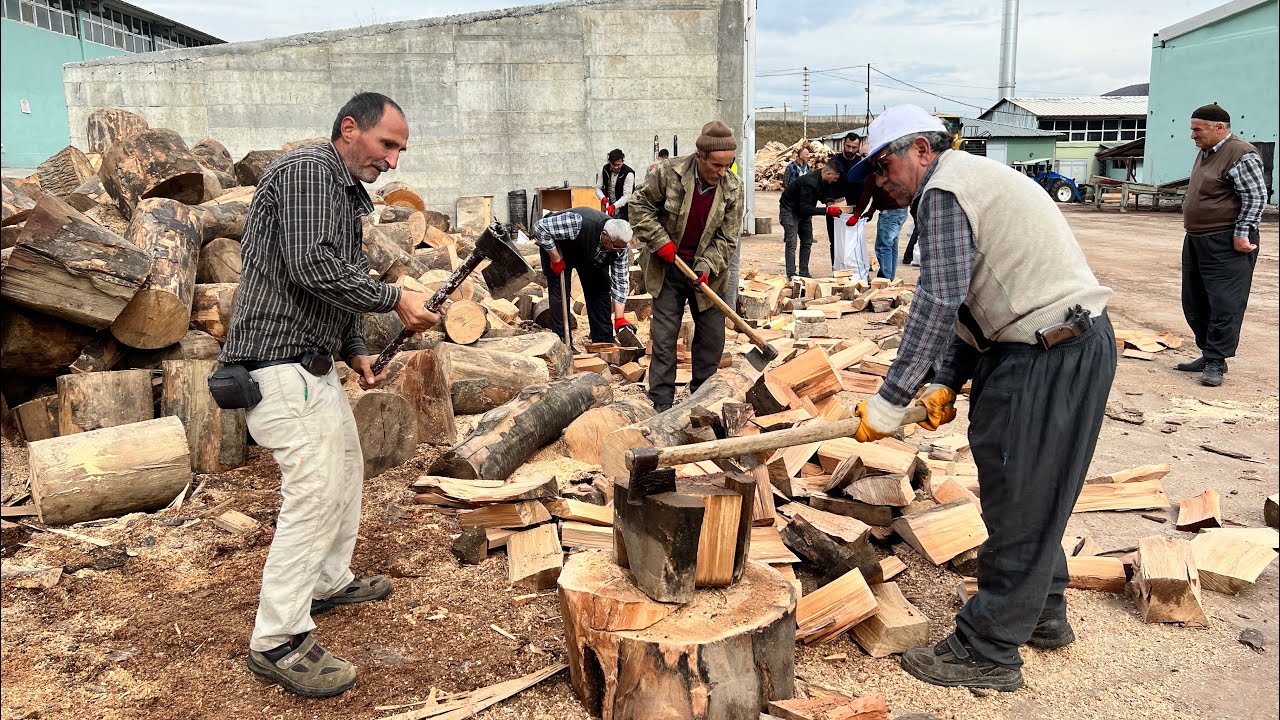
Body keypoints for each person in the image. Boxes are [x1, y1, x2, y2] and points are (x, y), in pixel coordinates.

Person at [846, 105, 1115, 692]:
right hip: (1047, 346)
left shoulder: (945, 190)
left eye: (884, 163)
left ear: (921, 149)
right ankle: (1041, 611)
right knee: (1025, 488)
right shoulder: (962, 183)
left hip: (1047, 354)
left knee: (1019, 492)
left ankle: (987, 649)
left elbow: (939, 301)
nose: (879, 179)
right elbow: (972, 302)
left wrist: (893, 397)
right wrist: (946, 377)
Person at [220, 92, 439, 698]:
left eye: (400, 149)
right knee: (311, 497)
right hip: (278, 368)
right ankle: (277, 639)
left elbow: (333, 287)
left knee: (345, 471)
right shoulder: (310, 173)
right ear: (350, 129)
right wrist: (395, 298)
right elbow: (314, 266)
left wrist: (355, 351)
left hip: (314, 367)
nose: (393, 162)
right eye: (386, 145)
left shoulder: (343, 193)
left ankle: (327, 578)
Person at [630, 120, 743, 412]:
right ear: (699, 157)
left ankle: (702, 402)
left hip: (707, 275)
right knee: (665, 339)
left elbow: (728, 239)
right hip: (667, 269)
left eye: (727, 166)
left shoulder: (732, 187)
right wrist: (660, 241)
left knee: (711, 340)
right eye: (716, 165)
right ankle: (661, 404)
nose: (722, 173)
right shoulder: (669, 173)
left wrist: (707, 265)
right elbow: (638, 206)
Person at [1176, 103, 1265, 387]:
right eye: (1192, 129)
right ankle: (1207, 352)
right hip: (1198, 238)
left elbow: (1255, 197)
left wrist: (1242, 234)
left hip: (1227, 240)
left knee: (1224, 302)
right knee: (1195, 299)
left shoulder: (1241, 153)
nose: (1192, 135)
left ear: (1220, 128)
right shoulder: (1206, 152)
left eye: (1197, 129)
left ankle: (1217, 359)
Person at [533, 207, 636, 347]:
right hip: (560, 249)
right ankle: (563, 342)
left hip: (592, 255)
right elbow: (540, 227)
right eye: (615, 247)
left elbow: (620, 281)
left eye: (621, 248)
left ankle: (603, 340)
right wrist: (555, 258)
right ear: (605, 235)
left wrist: (620, 318)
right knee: (560, 295)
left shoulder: (620, 243)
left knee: (600, 290)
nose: (618, 251)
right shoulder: (578, 222)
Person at [779, 163, 841, 278]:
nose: (835, 181)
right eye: (835, 178)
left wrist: (826, 200)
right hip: (789, 209)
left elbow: (819, 193)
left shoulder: (820, 177)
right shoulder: (809, 181)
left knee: (807, 241)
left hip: (803, 210)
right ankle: (791, 274)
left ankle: (804, 272)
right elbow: (805, 208)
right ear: (829, 174)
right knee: (791, 242)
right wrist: (827, 211)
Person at [846, 178, 909, 279]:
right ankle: (889, 277)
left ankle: (885, 278)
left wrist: (856, 215)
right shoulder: (889, 169)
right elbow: (879, 194)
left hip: (890, 213)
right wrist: (871, 210)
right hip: (901, 210)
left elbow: (866, 196)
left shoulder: (874, 175)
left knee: (883, 246)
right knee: (891, 245)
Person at [823, 133, 865, 263]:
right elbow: (825, 184)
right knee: (835, 241)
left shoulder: (861, 163)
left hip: (855, 209)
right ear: (843, 143)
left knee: (854, 241)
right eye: (848, 146)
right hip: (836, 209)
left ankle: (854, 270)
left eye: (854, 147)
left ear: (858, 146)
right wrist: (829, 202)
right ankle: (837, 270)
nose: (850, 150)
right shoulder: (833, 162)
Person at [596, 148, 636, 220]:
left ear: (622, 161)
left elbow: (627, 196)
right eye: (613, 164)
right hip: (609, 209)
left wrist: (614, 206)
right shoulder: (604, 169)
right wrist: (603, 198)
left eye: (618, 165)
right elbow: (598, 188)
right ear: (609, 161)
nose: (616, 167)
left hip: (625, 210)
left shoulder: (628, 173)